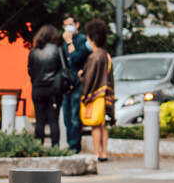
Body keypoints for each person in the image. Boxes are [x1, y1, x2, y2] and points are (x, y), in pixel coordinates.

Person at [78, 18, 114, 161]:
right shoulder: (106, 55)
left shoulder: (94, 57)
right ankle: (104, 153)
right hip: (106, 95)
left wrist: (81, 77)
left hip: (96, 96)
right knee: (103, 125)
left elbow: (89, 78)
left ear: (92, 39)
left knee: (95, 126)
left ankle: (96, 153)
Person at [27, 23, 65, 147]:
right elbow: (64, 69)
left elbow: (30, 71)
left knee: (39, 120)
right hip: (54, 90)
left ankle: (38, 147)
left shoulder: (33, 51)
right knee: (54, 120)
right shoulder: (57, 50)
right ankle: (55, 147)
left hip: (37, 89)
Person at [60, 14, 89, 149]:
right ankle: (69, 143)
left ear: (77, 25)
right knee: (66, 116)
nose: (68, 28)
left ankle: (74, 146)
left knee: (75, 116)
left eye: (70, 24)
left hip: (78, 83)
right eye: (66, 25)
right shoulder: (63, 42)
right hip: (66, 84)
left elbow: (76, 58)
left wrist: (70, 43)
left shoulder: (82, 40)